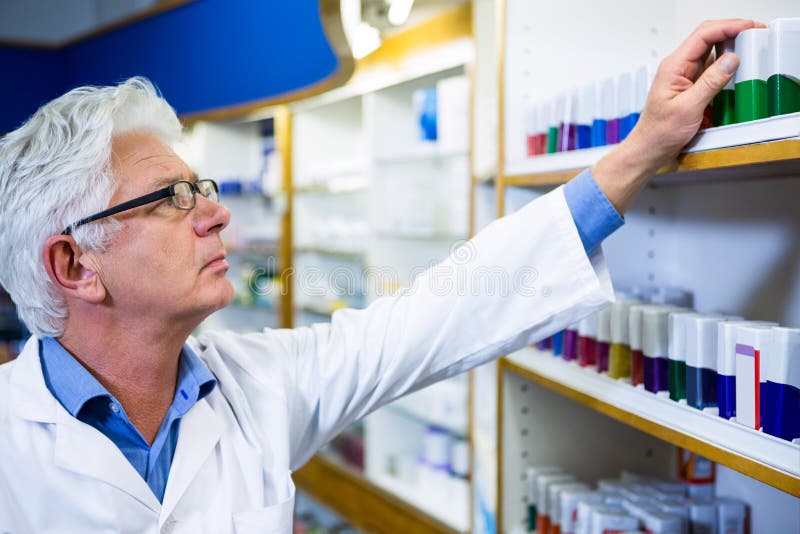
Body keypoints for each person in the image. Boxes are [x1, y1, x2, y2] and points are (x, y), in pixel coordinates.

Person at [0, 19, 758, 533]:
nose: (217, 215)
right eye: (174, 198)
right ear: (75, 264)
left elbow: (436, 314)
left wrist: (641, 149)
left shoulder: (257, 385)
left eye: (207, 188)